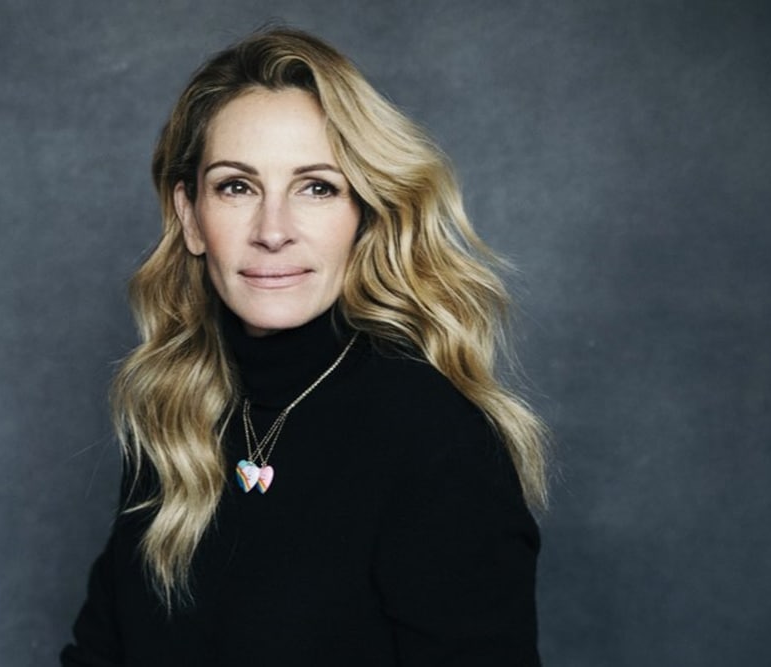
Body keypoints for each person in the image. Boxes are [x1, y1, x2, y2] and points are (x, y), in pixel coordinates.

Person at [61, 26, 548, 666]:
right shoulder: (176, 410)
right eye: (237, 186)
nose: (273, 231)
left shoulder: (435, 438)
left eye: (317, 187)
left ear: (364, 214)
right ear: (190, 216)